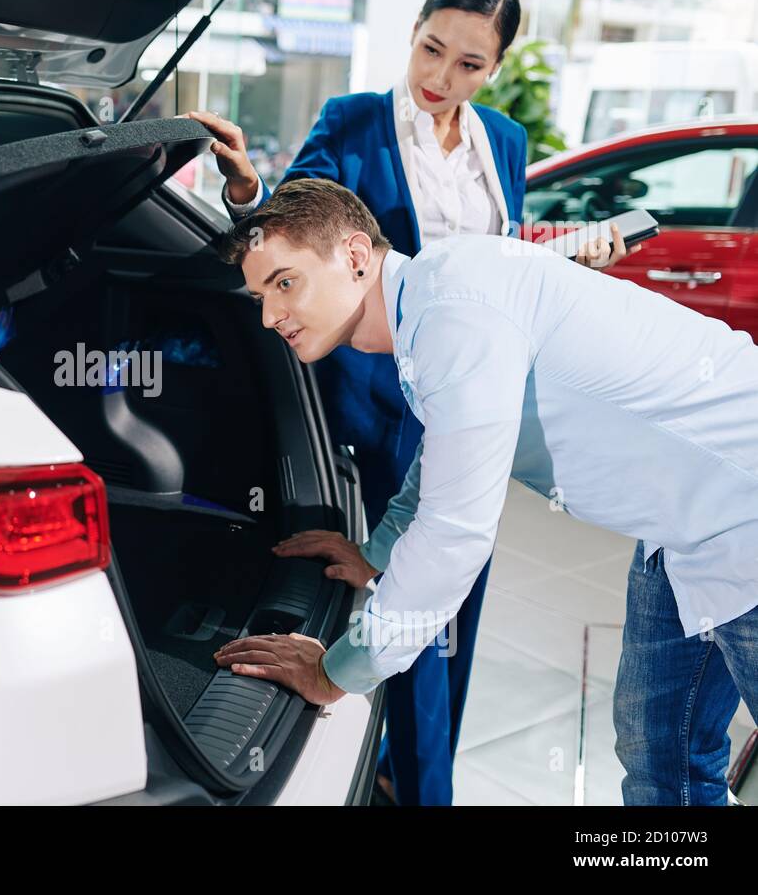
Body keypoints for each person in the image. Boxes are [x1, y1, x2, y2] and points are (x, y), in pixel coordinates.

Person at [188, 0, 635, 805]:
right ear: (415, 31)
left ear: (494, 70)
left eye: (469, 64)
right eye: (432, 49)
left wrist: (574, 250)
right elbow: (297, 225)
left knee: (454, 603)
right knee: (412, 590)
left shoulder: (502, 139)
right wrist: (248, 190)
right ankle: (428, 789)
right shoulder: (353, 121)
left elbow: (499, 259)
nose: (441, 78)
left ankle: (414, 768)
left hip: (472, 400)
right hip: (379, 402)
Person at [214, 177, 758, 806]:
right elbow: (451, 443)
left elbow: (456, 530)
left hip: (743, 511)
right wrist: (380, 551)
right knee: (661, 760)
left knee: (668, 762)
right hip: (684, 529)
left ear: (356, 256)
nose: (269, 314)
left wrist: (337, 671)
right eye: (259, 294)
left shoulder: (452, 311)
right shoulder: (437, 293)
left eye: (285, 283)